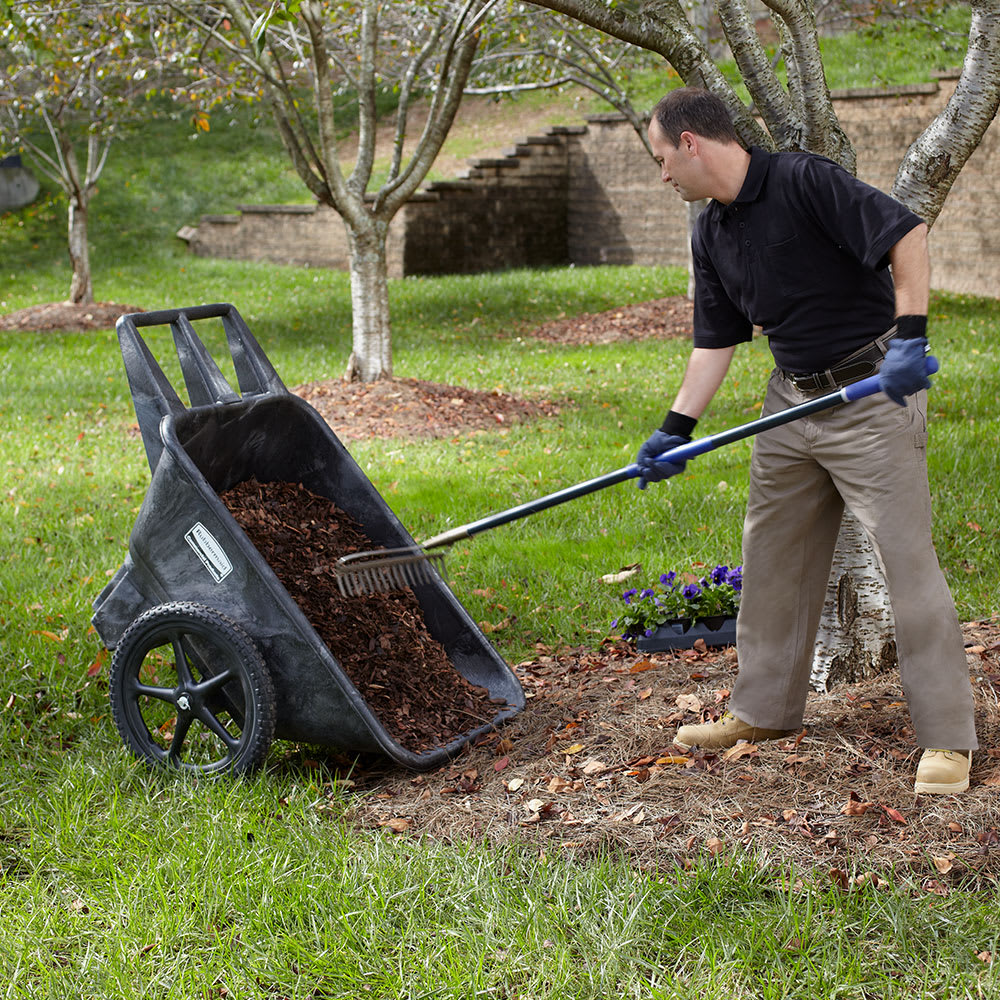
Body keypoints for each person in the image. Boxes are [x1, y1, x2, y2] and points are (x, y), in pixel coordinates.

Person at [636, 87, 977, 795]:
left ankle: (948, 739)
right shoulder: (711, 230)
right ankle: (763, 711)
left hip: (870, 391)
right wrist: (675, 430)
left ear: (691, 143)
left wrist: (910, 340)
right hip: (790, 401)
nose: (662, 174)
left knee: (906, 564)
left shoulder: (803, 179)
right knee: (771, 557)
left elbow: (905, 234)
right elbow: (715, 341)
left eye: (662, 157)